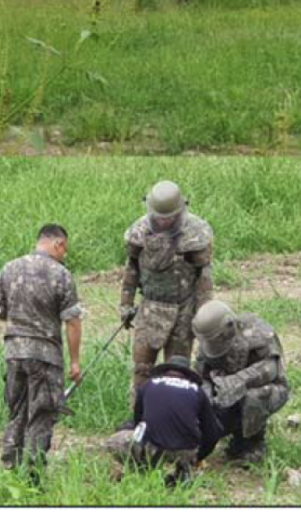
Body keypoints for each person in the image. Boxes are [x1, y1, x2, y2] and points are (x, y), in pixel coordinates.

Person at [0, 224, 84, 480]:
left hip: (14, 353)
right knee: (42, 413)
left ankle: (10, 465)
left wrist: (21, 322)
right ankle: (33, 475)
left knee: (16, 409)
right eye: (65, 249)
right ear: (58, 244)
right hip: (46, 356)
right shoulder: (61, 275)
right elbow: (72, 321)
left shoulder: (9, 268)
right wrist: (75, 362)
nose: (65, 255)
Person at [119, 181, 214, 426]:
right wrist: (126, 304)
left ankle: (174, 419)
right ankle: (138, 417)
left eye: (168, 218)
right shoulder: (138, 232)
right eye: (158, 218)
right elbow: (131, 270)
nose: (162, 222)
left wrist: (204, 316)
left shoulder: (196, 233)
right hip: (150, 308)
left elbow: (204, 280)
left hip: (183, 311)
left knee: (177, 371)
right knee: (141, 369)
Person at [192, 300, 290, 465]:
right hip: (224, 391)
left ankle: (251, 443)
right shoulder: (208, 342)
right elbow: (201, 376)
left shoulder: (259, 333)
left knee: (254, 397)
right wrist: (208, 396)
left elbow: (270, 369)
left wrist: (237, 382)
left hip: (265, 389)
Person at [104, 355, 223, 487]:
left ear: (165, 371)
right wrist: (199, 457)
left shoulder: (148, 384)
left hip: (152, 449)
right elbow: (213, 431)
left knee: (114, 441)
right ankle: (182, 470)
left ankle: (143, 469)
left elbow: (139, 422)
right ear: (187, 375)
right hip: (185, 452)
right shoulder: (197, 391)